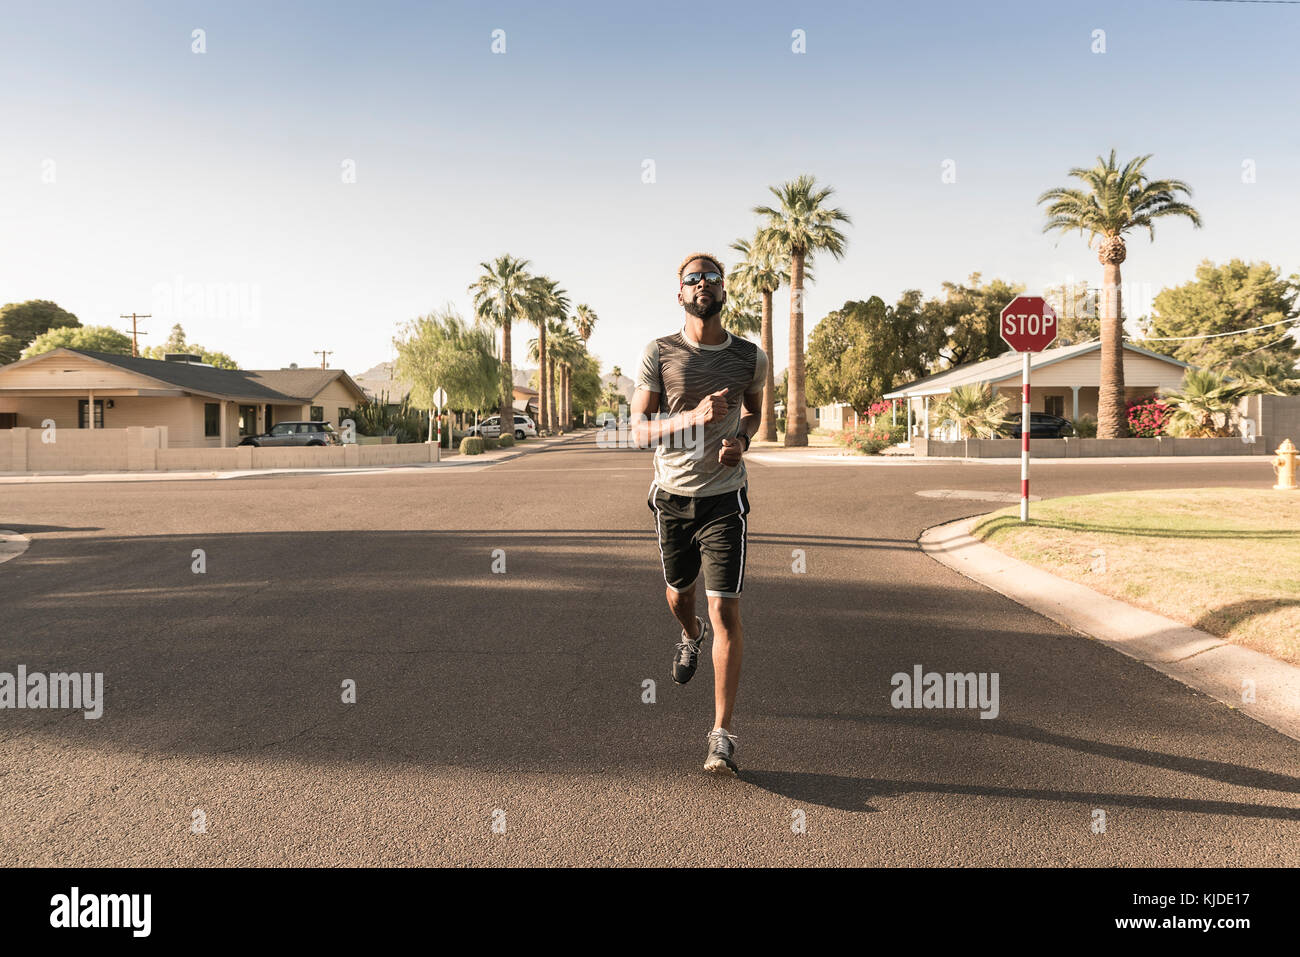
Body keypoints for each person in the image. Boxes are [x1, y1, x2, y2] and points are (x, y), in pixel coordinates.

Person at [631, 252, 768, 776]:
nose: (703, 285)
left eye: (712, 277)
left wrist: (741, 440)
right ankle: (689, 637)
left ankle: (722, 735)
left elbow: (755, 415)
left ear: (724, 289)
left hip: (724, 497)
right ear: (681, 293)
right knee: (677, 596)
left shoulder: (750, 356)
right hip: (672, 495)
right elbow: (638, 429)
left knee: (725, 611)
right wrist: (690, 417)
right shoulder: (659, 353)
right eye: (693, 279)